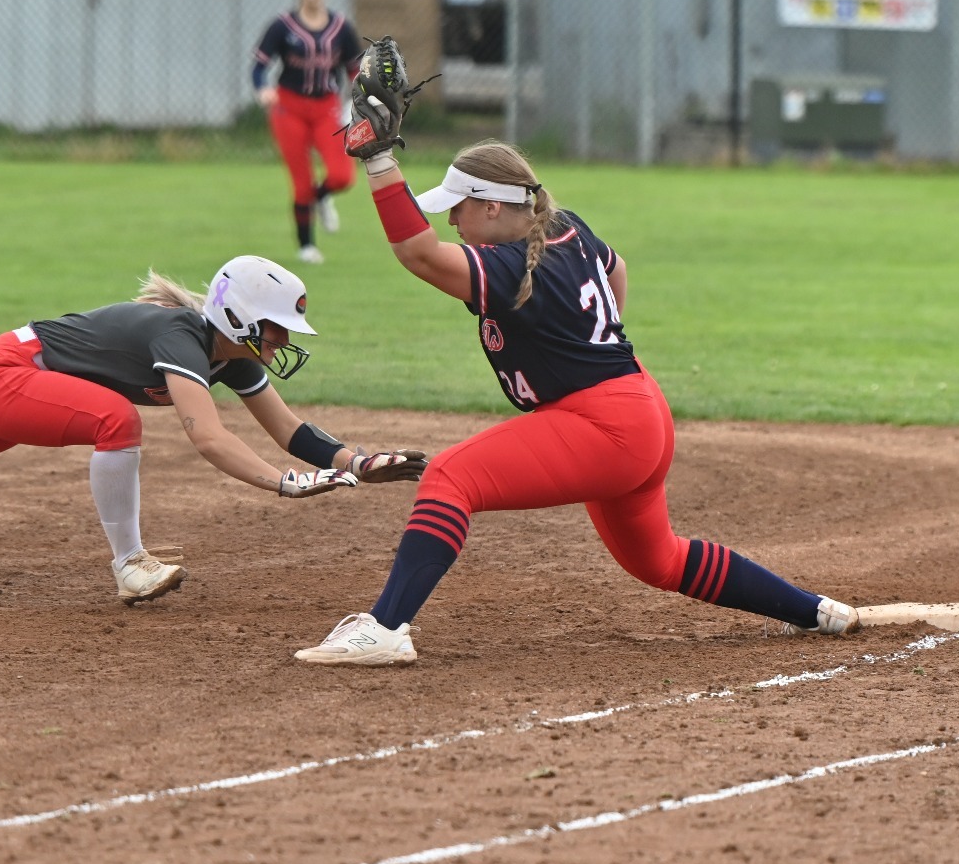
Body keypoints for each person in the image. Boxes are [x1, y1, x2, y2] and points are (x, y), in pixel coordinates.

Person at [295, 84, 859, 664]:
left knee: (448, 479)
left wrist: (380, 161)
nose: (455, 222)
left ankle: (385, 629)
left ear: (492, 206)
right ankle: (812, 609)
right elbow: (615, 272)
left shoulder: (514, 265)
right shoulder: (565, 225)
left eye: (458, 209)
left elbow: (418, 254)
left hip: (604, 424)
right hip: (642, 409)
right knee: (658, 560)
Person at [0, 256, 426, 605]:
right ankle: (131, 565)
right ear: (242, 320)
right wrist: (282, 486)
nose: (284, 342)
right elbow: (207, 437)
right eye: (278, 328)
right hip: (7, 370)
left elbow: (290, 431)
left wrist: (357, 463)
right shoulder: (181, 337)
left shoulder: (231, 358)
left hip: (16, 377)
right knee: (118, 419)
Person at [252, 0, 364, 266]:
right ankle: (306, 245)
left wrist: (359, 98)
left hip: (326, 104)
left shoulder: (341, 27)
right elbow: (260, 65)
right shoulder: (282, 26)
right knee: (301, 181)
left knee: (342, 176)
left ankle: (323, 195)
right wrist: (263, 88)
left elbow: (355, 69)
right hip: (289, 106)